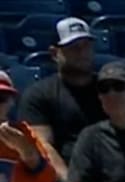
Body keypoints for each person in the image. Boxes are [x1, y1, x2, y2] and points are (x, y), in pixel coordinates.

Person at [16, 17, 105, 166]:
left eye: (86, 46)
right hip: (63, 181)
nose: (82, 52)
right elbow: (43, 147)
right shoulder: (39, 94)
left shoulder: (110, 89)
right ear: (54, 53)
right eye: (74, 47)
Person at [0, 72, 65, 182]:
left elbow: (48, 179)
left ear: (11, 103)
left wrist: (27, 151)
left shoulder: (23, 133)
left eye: (1, 98)